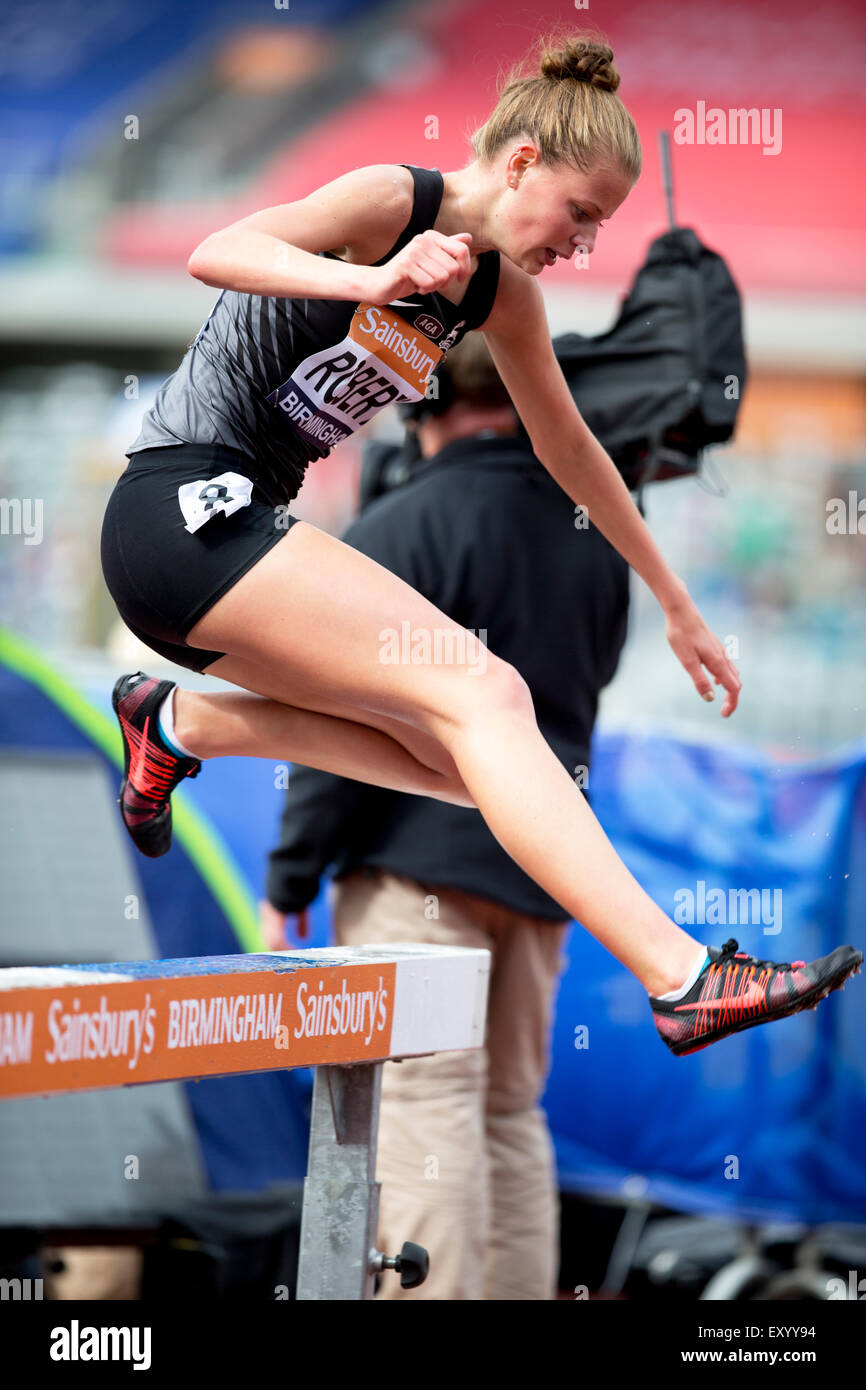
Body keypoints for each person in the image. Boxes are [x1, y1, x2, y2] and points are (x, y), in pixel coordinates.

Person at [99, 31, 861, 1061]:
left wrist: (674, 598)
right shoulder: (390, 201)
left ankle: (182, 722)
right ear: (519, 165)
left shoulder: (500, 295)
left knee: (467, 765)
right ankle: (681, 976)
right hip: (179, 508)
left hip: (229, 545)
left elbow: (570, 449)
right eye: (580, 214)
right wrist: (368, 282)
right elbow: (214, 251)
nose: (583, 244)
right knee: (490, 698)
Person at [260, 328, 629, 1299]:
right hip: (546, 871)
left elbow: (326, 730)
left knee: (425, 1105)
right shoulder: (596, 535)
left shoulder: (403, 525)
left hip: (416, 867)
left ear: (426, 409)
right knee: (509, 1113)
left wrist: (287, 880)